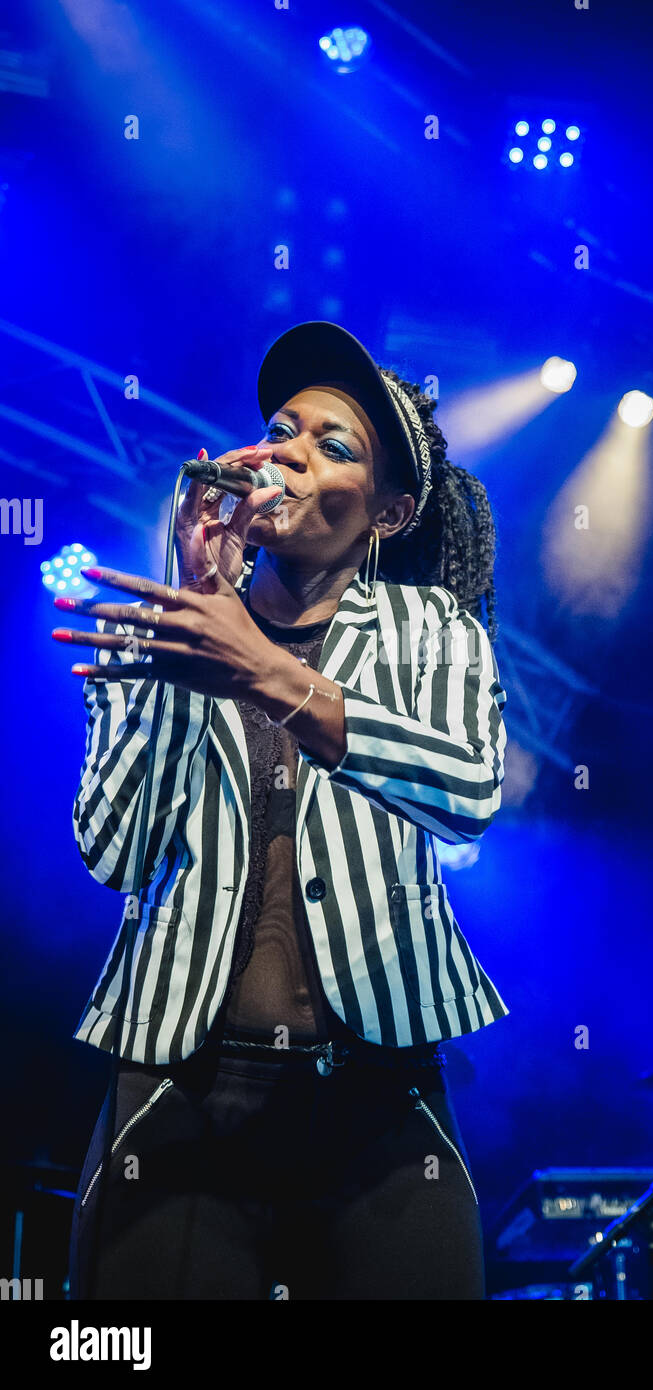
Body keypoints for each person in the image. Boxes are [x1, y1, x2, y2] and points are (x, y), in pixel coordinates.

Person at [56, 321, 509, 1300]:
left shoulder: (433, 626)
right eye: (279, 427)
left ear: (386, 514)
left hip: (377, 1099)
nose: (288, 452)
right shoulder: (166, 620)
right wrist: (192, 630)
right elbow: (117, 852)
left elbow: (468, 794)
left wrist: (270, 675)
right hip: (179, 1087)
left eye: (332, 445)